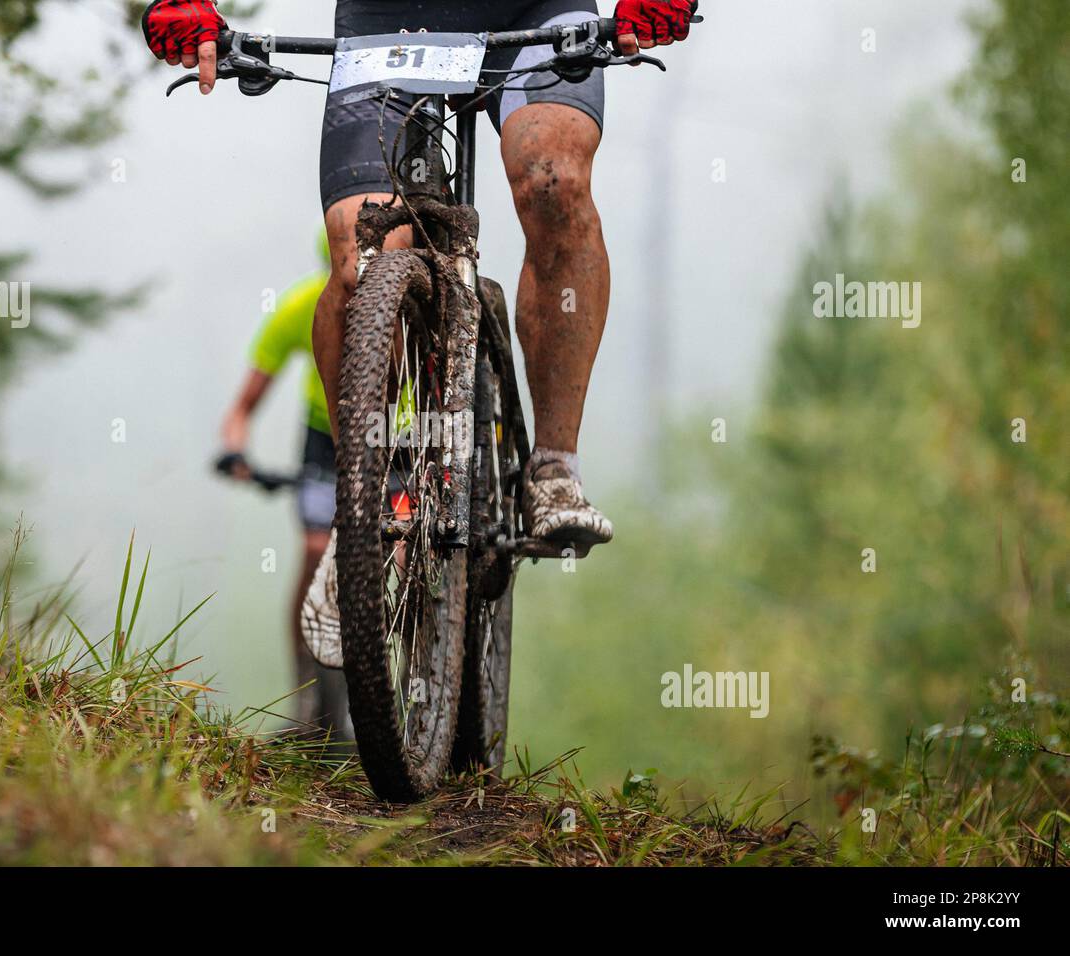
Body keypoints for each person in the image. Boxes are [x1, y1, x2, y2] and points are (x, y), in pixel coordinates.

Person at [144, 0, 695, 654]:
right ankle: (361, 509)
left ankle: (552, 466)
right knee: (360, 257)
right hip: (387, 18)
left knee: (555, 182)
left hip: (537, 10)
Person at [216, 231, 351, 740]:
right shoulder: (302, 307)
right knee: (316, 554)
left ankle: (396, 701)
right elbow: (241, 409)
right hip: (324, 441)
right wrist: (236, 451)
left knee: (398, 553)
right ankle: (309, 703)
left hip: (398, 433)